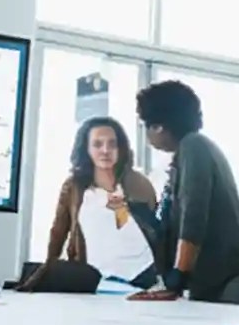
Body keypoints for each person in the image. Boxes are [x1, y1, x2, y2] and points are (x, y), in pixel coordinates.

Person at [125, 80, 239, 305]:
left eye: (145, 125)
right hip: (215, 286)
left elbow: (194, 215)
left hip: (237, 283)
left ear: (158, 126)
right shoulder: (185, 156)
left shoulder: (194, 146)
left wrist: (178, 278)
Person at [16, 117, 158, 291]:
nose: (105, 150)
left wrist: (122, 208)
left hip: (140, 276)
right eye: (97, 144)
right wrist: (47, 271)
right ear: (86, 149)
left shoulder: (138, 183)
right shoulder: (74, 186)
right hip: (95, 280)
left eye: (112, 144)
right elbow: (59, 230)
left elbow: (151, 230)